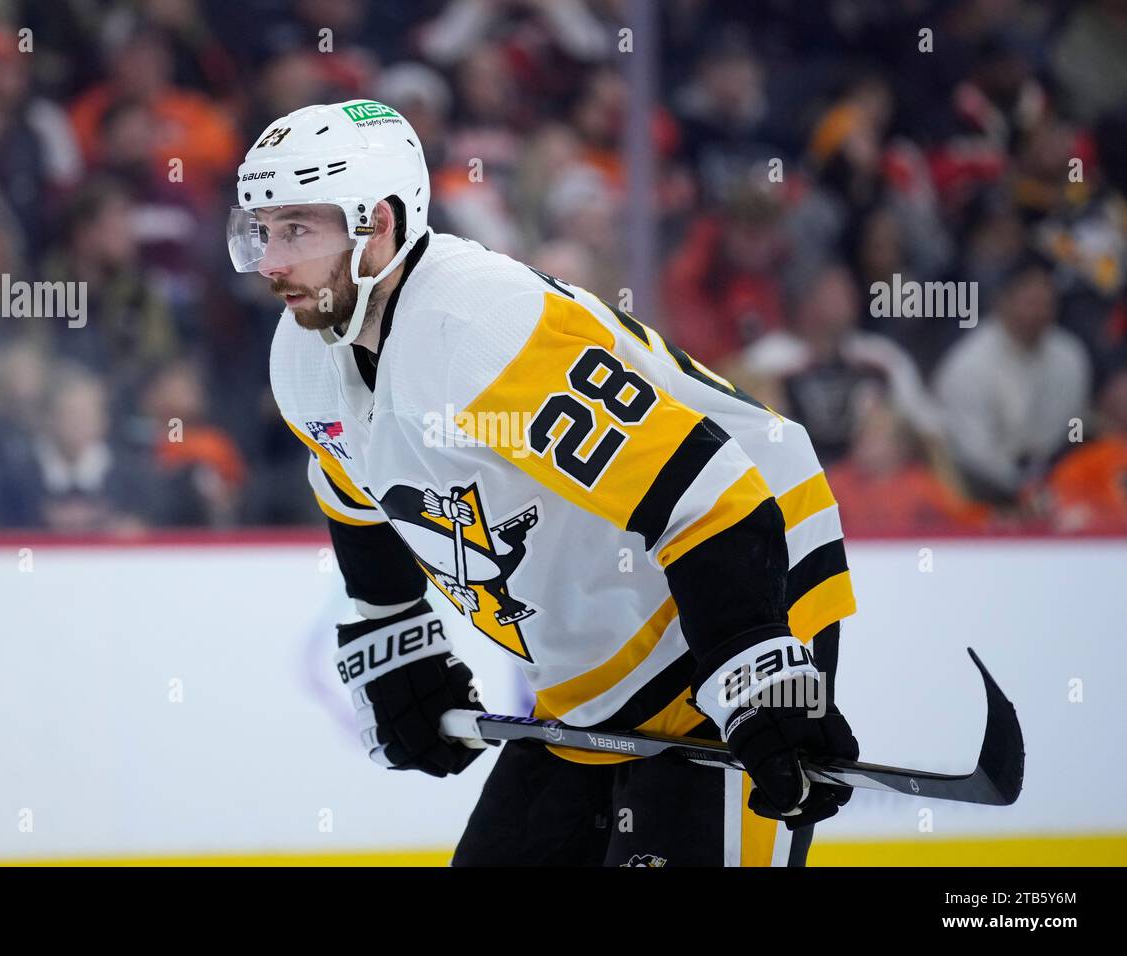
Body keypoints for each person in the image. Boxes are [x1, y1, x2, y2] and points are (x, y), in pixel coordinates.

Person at [228, 100, 860, 867]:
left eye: (298, 229)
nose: (269, 260)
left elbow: (705, 494)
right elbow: (352, 491)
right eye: (262, 229)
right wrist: (396, 642)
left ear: (379, 223)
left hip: (748, 577)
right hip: (591, 656)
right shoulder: (304, 357)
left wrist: (758, 671)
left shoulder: (479, 330)